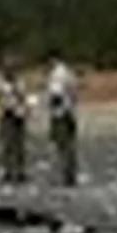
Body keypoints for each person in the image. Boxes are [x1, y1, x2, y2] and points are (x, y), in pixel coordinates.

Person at [44, 56, 80, 186]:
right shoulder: (69, 74)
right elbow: (75, 94)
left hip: (60, 115)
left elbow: (56, 95)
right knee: (70, 146)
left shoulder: (57, 75)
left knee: (61, 146)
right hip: (70, 113)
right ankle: (70, 175)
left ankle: (63, 176)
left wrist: (49, 105)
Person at [0, 59, 30, 184]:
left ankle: (20, 171)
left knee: (19, 145)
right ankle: (7, 171)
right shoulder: (0, 82)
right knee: (7, 145)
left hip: (18, 115)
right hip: (6, 115)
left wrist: (24, 108)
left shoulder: (19, 82)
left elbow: (23, 97)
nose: (9, 72)